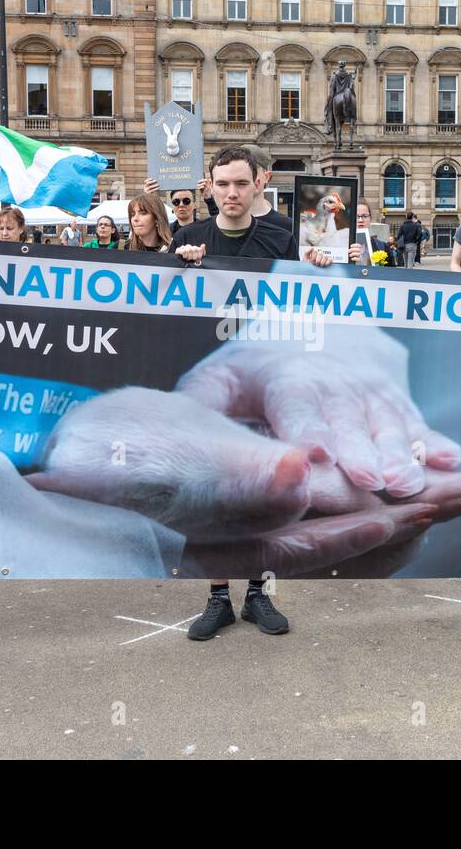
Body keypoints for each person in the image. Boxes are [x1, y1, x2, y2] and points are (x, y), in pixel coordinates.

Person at [172, 145, 328, 641]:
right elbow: (152, 301)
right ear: (209, 186)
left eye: (241, 184)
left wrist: (323, 264)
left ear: (258, 183)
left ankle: (259, 594)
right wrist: (177, 263)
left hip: (267, 380)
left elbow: (313, 294)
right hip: (206, 383)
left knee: (263, 489)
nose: (231, 193)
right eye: (222, 184)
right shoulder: (190, 237)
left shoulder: (283, 236)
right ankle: (218, 597)